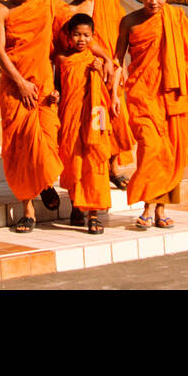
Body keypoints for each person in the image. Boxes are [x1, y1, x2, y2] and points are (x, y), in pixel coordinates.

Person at [114, 0, 188, 229]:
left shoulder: (175, 18)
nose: (154, 3)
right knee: (151, 148)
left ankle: (158, 209)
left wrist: (177, 71)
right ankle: (149, 205)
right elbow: (118, 58)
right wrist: (114, 89)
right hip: (141, 93)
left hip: (170, 94)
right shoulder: (129, 22)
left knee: (169, 151)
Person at [0, 0, 67, 232]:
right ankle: (28, 209)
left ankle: (45, 182)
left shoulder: (47, 4)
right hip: (14, 86)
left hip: (43, 86)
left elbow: (74, 28)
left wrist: (106, 58)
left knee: (47, 140)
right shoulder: (1, 10)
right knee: (20, 147)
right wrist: (21, 83)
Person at [59, 0, 133, 189]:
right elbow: (77, 42)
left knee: (115, 119)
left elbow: (121, 38)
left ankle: (113, 166)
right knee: (96, 121)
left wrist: (116, 64)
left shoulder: (110, 3)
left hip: (112, 75)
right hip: (89, 75)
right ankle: (96, 165)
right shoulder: (71, 10)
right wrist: (103, 60)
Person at [54, 13, 119, 235]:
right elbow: (59, 86)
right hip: (70, 115)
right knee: (73, 160)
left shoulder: (95, 58)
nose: (81, 39)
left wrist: (100, 69)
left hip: (96, 113)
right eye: (77, 34)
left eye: (86, 35)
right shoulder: (62, 58)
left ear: (92, 36)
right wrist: (54, 96)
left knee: (96, 159)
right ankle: (76, 206)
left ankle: (93, 213)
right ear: (69, 36)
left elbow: (105, 87)